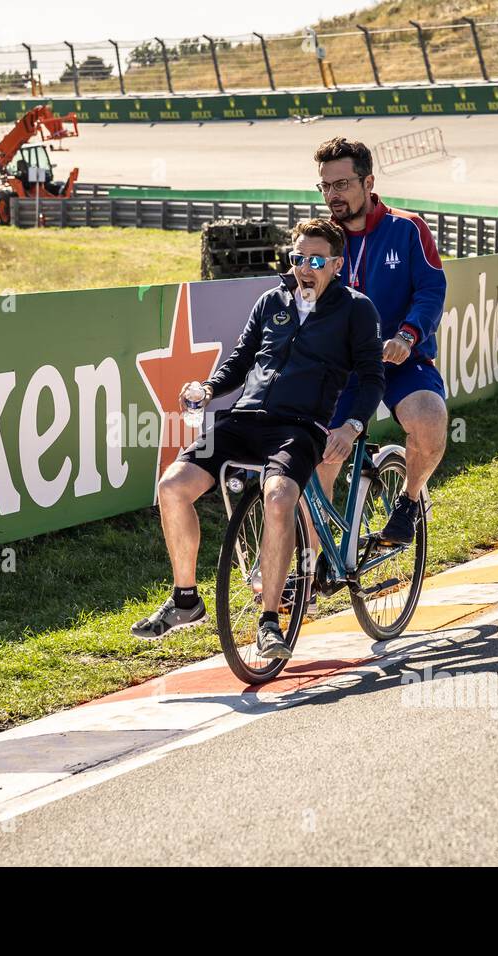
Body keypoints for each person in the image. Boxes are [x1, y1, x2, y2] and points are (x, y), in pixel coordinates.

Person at [130, 219, 384, 659]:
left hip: (299, 426)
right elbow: (241, 359)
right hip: (244, 418)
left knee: (280, 497)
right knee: (171, 488)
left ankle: (271, 621)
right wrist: (208, 389)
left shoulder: (356, 308)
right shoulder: (271, 301)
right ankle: (186, 599)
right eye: (297, 258)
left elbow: (372, 377)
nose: (305, 267)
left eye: (316, 260)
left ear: (337, 265)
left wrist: (352, 425)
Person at [312, 136, 448, 546]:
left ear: (368, 182)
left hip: (398, 360)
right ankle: (313, 566)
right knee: (318, 461)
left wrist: (407, 336)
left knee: (429, 420)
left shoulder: (407, 228)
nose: (332, 196)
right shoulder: (321, 240)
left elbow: (430, 290)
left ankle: (408, 503)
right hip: (343, 369)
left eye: (342, 185)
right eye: (325, 186)